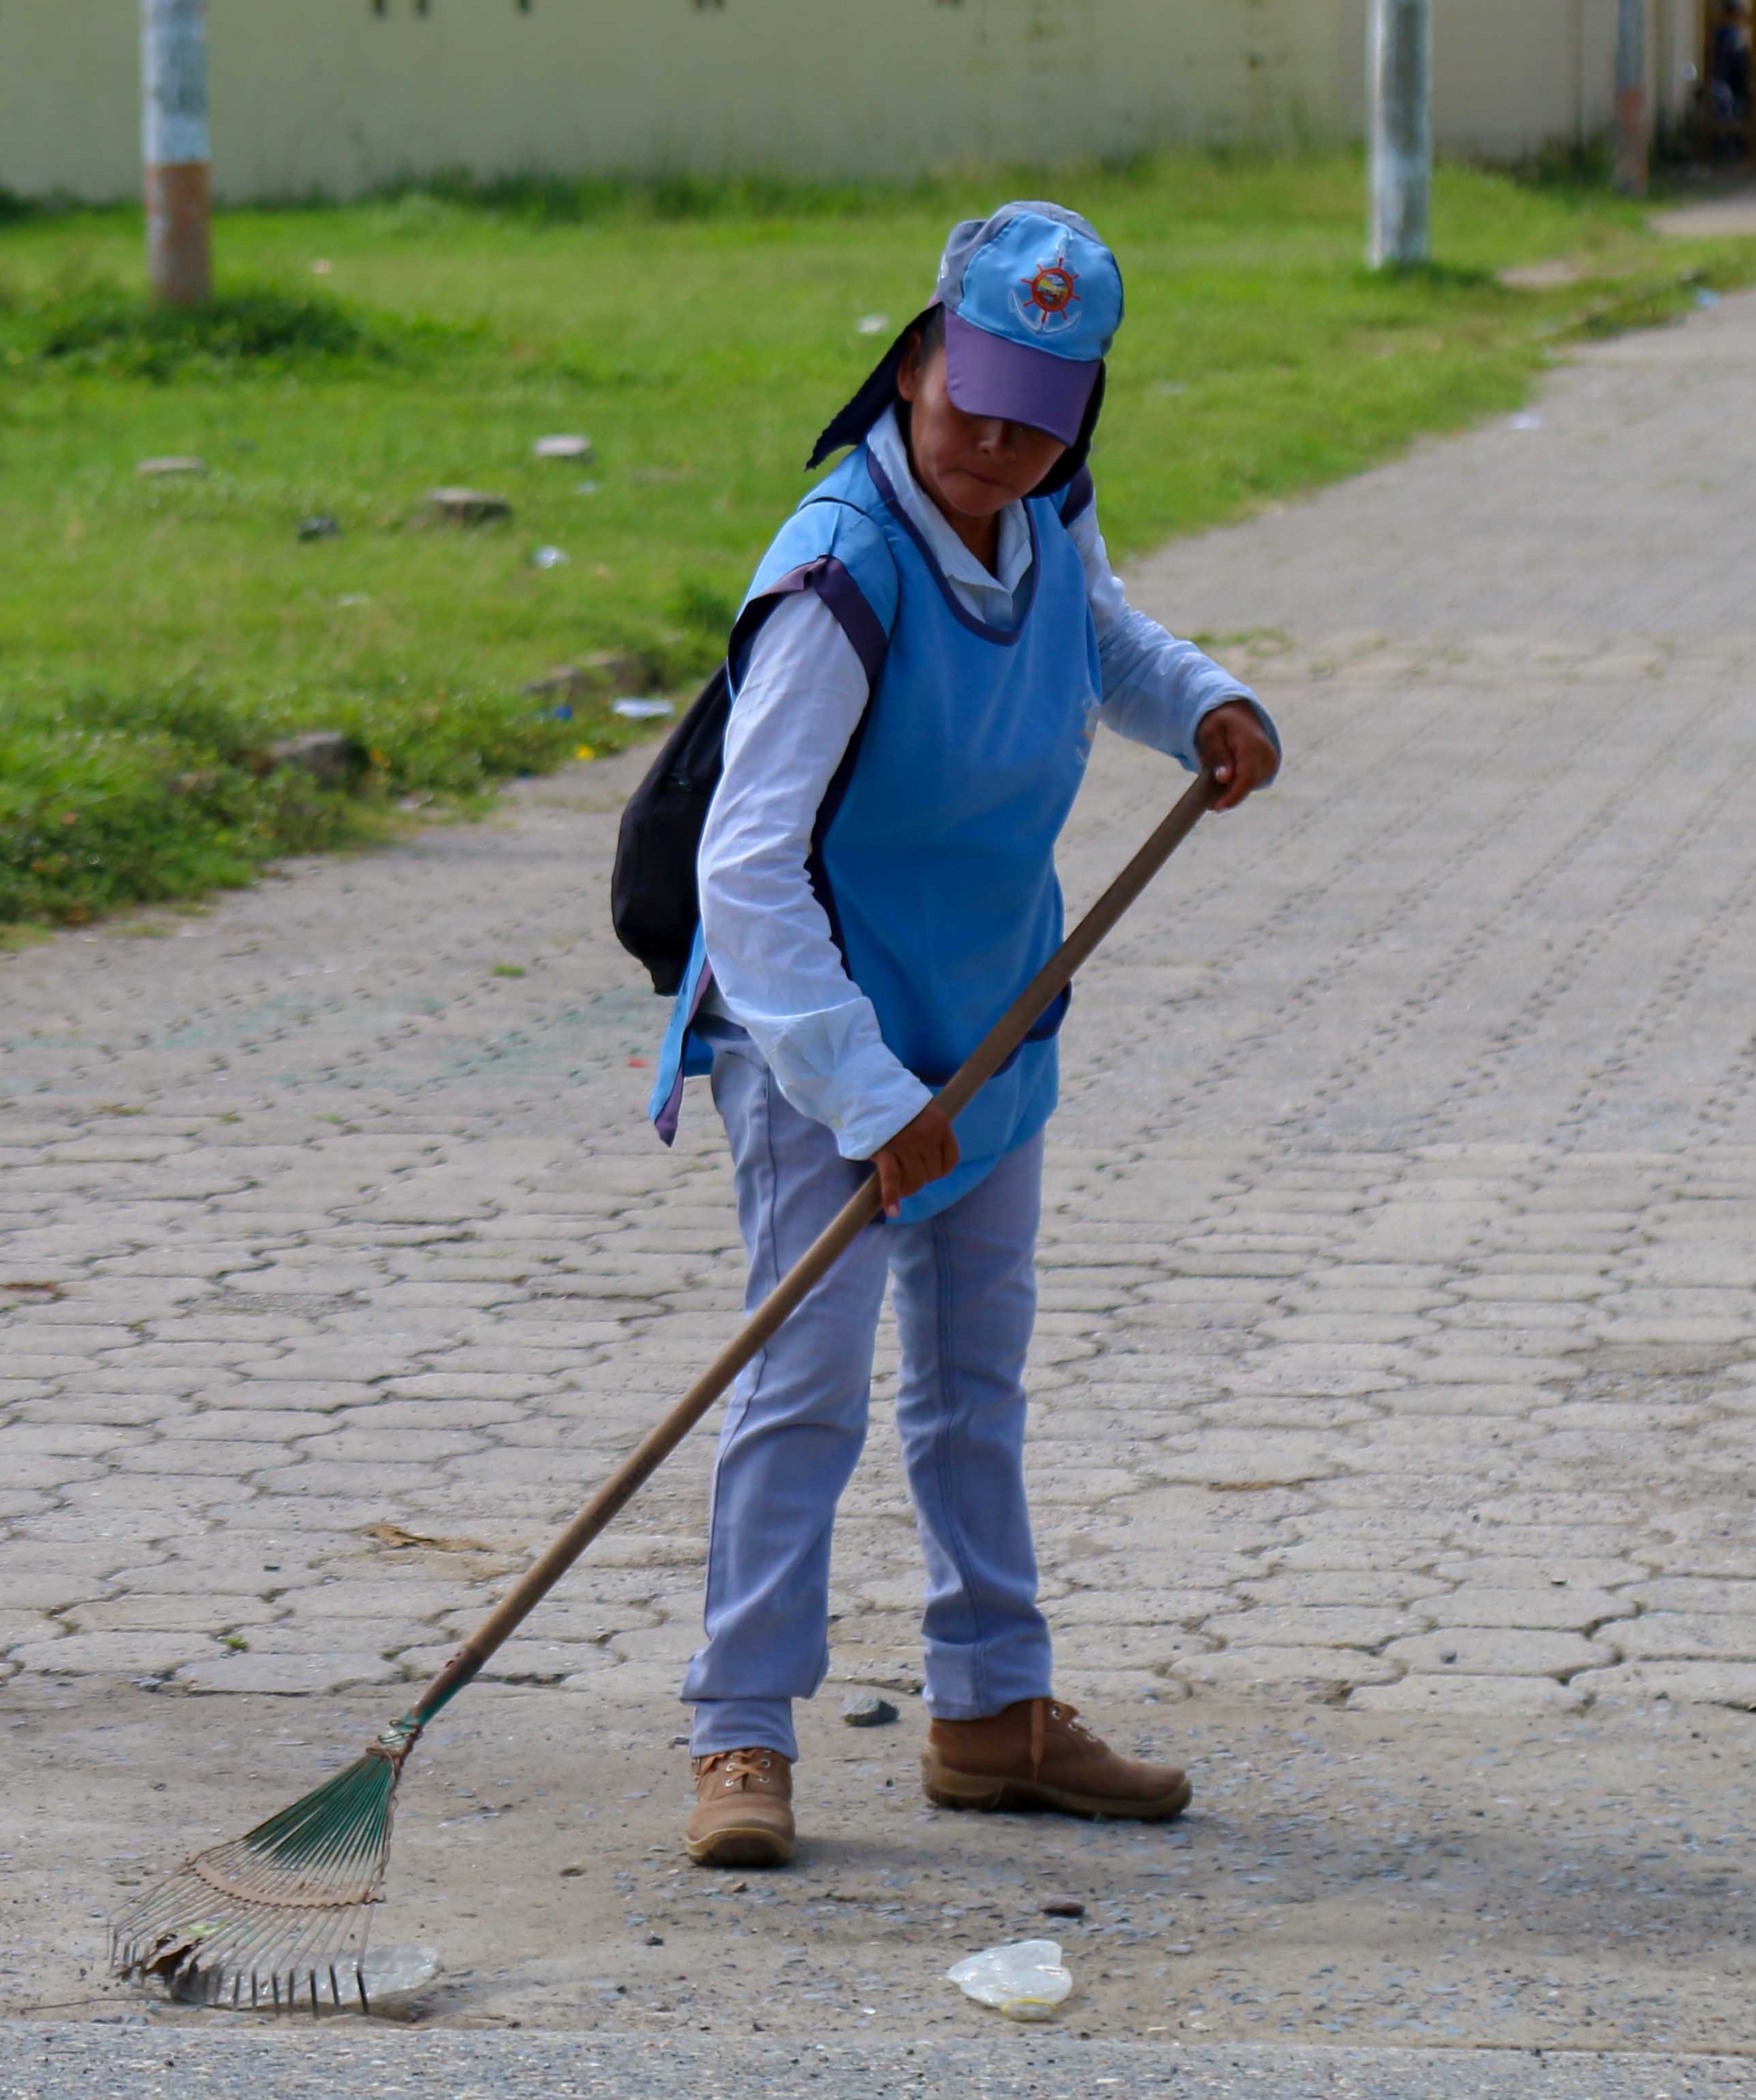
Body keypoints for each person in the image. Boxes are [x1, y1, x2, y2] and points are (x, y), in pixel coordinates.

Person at [641, 202, 1282, 1869]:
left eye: (1038, 417)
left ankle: (994, 1711)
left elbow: (1101, 639)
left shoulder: (1044, 509)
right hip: (817, 1030)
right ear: (914, 357)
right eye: (971, 402)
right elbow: (744, 864)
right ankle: (739, 1732)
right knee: (804, 1388)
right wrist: (859, 1092)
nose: (995, 445)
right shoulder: (838, 571)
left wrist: (1204, 702)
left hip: (990, 1020)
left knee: (972, 1388)